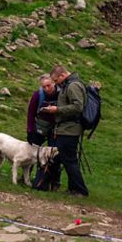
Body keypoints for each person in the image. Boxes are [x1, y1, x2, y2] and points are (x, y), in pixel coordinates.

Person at [45, 65, 89, 196]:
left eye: (55, 80)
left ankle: (81, 190)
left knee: (69, 160)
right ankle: (73, 189)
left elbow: (78, 107)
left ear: (62, 75)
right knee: (67, 159)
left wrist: (57, 110)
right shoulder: (70, 84)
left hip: (70, 129)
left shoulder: (73, 86)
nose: (55, 83)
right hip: (66, 128)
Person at [28, 74, 60, 190]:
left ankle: (54, 181)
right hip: (40, 126)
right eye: (44, 86)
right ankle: (26, 177)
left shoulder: (61, 94)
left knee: (54, 154)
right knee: (32, 152)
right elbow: (31, 113)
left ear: (54, 83)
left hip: (55, 128)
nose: (47, 88)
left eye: (49, 85)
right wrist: (30, 130)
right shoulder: (38, 95)